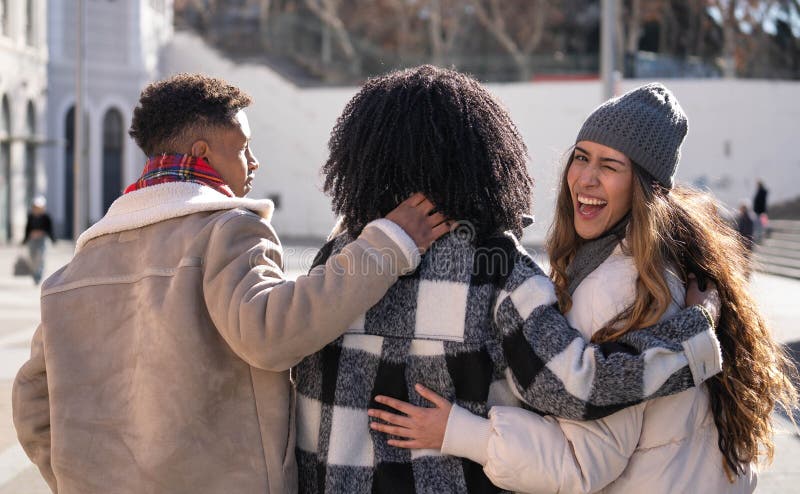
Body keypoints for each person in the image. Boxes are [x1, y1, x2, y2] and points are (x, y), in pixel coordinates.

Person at [11, 73, 451, 494]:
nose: (254, 161)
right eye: (243, 147)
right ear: (202, 153)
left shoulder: (80, 265)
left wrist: (82, 479)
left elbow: (30, 399)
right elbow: (270, 332)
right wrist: (388, 244)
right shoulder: (227, 230)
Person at [295, 67, 723, 494]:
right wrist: (694, 336)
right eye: (581, 157)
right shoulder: (497, 264)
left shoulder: (340, 254)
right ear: (484, 155)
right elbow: (578, 389)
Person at [369, 83, 799, 493]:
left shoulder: (617, 286)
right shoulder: (667, 259)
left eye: (610, 166)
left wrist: (459, 433)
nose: (586, 179)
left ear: (645, 189)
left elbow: (579, 465)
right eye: (581, 157)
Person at [22, 195, 55, 284]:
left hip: (42, 240)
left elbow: (49, 229)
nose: (37, 209)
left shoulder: (46, 217)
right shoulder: (30, 216)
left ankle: (38, 275)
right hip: (32, 240)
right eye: (35, 207)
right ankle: (34, 274)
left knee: (41, 257)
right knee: (32, 257)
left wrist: (52, 239)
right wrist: (24, 240)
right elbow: (27, 228)